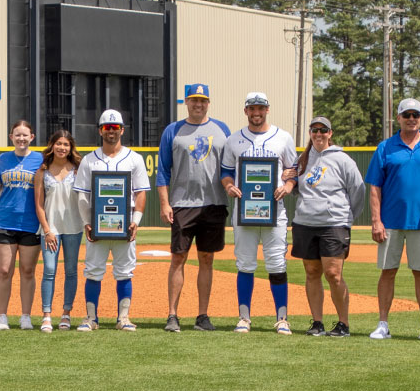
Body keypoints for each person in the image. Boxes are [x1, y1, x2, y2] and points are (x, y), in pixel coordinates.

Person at [364, 98, 420, 341]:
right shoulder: (385, 147)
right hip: (390, 222)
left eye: (416, 114)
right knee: (387, 271)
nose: (411, 118)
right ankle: (383, 324)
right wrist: (375, 220)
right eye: (406, 114)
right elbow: (374, 187)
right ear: (398, 118)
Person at [220, 91, 300, 334]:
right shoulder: (234, 140)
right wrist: (229, 186)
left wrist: (287, 185)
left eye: (260, 108)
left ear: (267, 110)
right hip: (244, 211)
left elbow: (293, 170)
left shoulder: (283, 138)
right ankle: (244, 318)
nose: (256, 113)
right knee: (245, 263)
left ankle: (282, 318)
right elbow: (226, 172)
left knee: (276, 263)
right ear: (246, 111)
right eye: (252, 108)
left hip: (274, 210)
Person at [156, 84, 231, 332]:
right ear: (186, 102)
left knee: (206, 259)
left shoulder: (222, 130)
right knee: (178, 258)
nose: (198, 104)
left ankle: (202, 316)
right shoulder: (173, 130)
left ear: (208, 102)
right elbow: (163, 170)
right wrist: (165, 202)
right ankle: (172, 315)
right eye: (194, 100)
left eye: (203, 100)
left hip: (214, 203)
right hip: (182, 204)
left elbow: (230, 166)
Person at [75, 109, 150, 330]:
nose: (111, 131)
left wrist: (136, 220)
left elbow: (141, 193)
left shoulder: (134, 158)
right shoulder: (89, 160)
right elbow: (82, 195)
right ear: (100, 130)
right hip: (96, 226)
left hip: (124, 224)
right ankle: (91, 318)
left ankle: (123, 318)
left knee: (124, 270)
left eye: (115, 127)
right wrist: (86, 222)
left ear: (122, 130)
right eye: (107, 127)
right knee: (93, 270)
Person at [291, 117, 364, 336]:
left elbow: (358, 190)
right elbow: (296, 188)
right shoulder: (302, 159)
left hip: (334, 224)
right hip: (305, 223)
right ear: (310, 133)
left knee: (333, 274)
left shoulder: (342, 159)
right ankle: (317, 322)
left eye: (323, 130)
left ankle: (343, 324)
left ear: (330, 133)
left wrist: (347, 218)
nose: (318, 134)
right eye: (314, 130)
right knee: (312, 272)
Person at [0, 120, 44, 331]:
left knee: (28, 270)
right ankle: (2, 316)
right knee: (4, 270)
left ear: (32, 137)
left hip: (31, 222)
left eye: (25, 135)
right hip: (4, 221)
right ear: (11, 137)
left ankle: (25, 316)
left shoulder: (40, 160)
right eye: (17, 135)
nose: (21, 138)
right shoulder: (2, 160)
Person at [34, 129, 83, 332]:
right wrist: (47, 230)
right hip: (50, 229)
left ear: (70, 147)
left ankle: (66, 313)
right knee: (50, 270)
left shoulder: (78, 170)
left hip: (74, 227)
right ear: (52, 145)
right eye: (58, 143)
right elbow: (39, 204)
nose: (62, 148)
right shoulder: (42, 171)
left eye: (66, 144)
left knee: (71, 271)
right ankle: (46, 315)